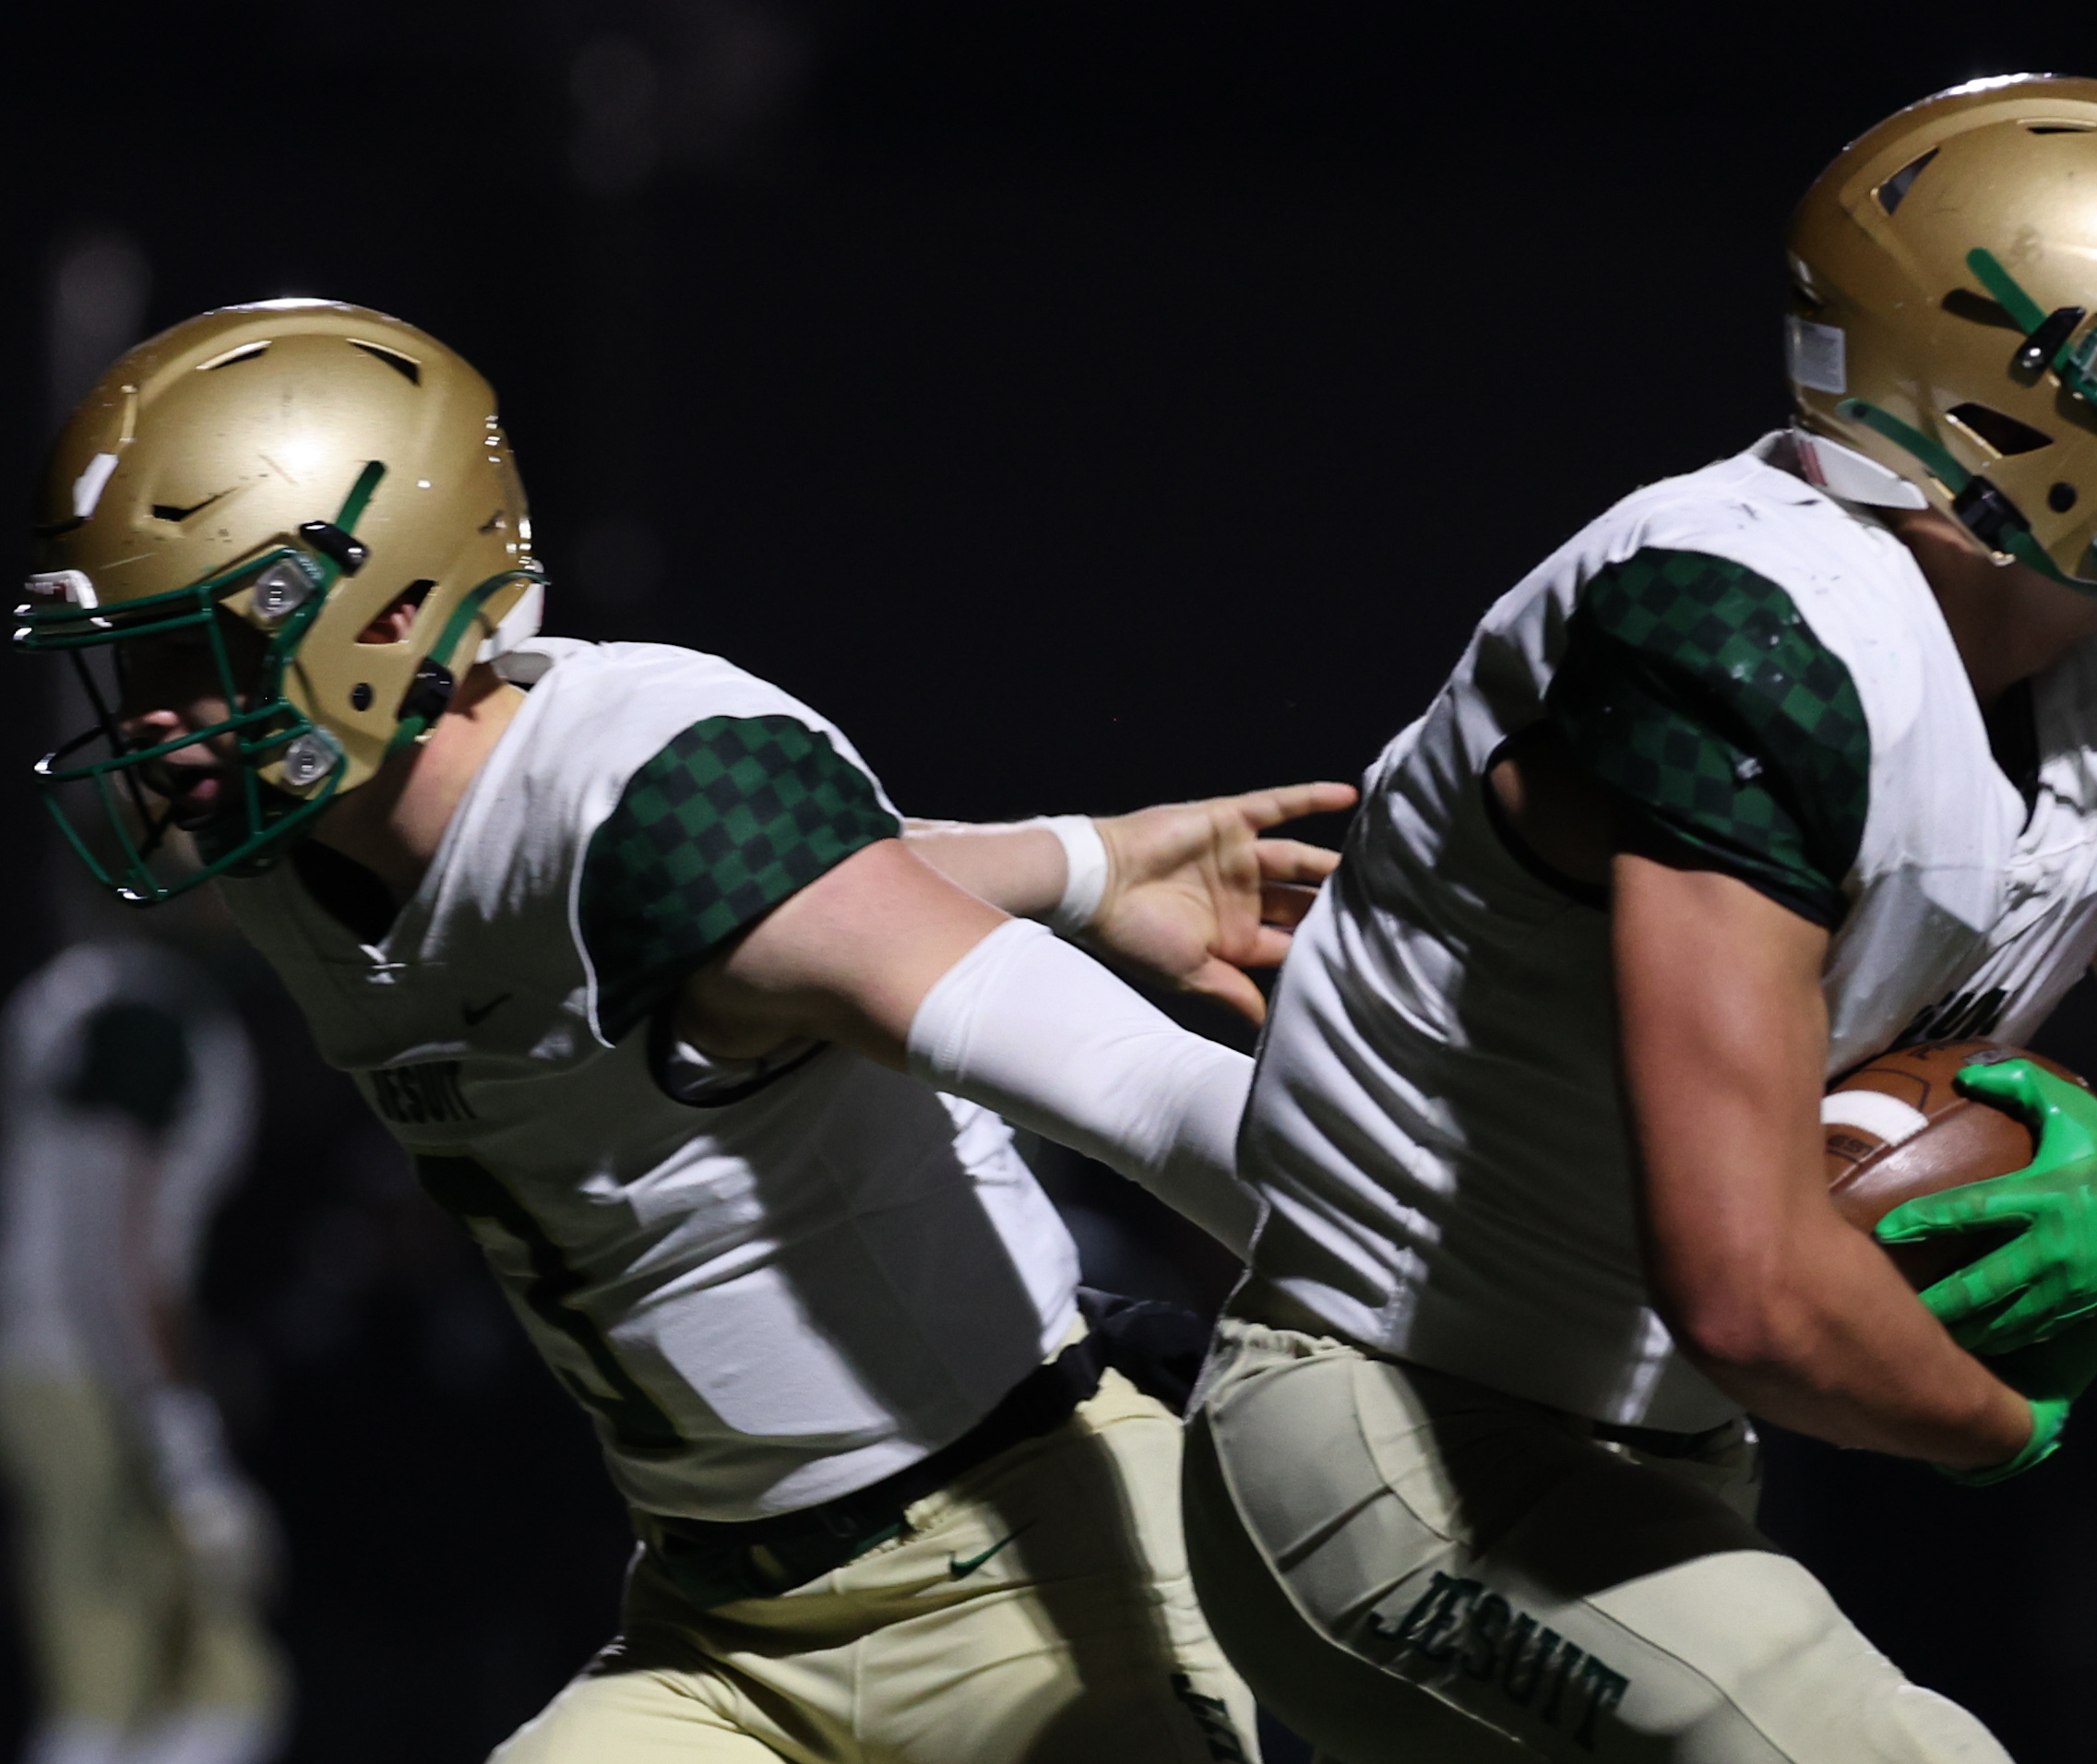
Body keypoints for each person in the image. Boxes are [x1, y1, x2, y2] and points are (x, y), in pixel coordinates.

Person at [1183, 75, 2097, 1760]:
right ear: (1982, 408)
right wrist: (1997, 1425)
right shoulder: (1746, 633)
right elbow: (1745, 1287)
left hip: (1666, 1467)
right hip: (1405, 1430)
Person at [16, 298, 1353, 1762]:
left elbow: (1151, 1096)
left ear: (388, 616)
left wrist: (1539, 1342)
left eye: (185, 654)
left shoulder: (644, 790)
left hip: (1020, 1572)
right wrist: (1082, 865)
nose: (148, 724)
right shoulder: (309, 845)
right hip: (715, 1631)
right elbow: (744, 916)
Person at [0, 940, 287, 1764]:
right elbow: (117, 1254)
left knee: (188, 1680)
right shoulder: (148, 1018)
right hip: (85, 1369)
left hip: (66, 1359)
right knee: (157, 1684)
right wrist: (184, 1447)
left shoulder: (109, 992)